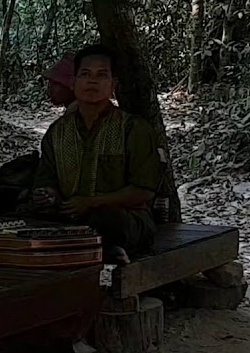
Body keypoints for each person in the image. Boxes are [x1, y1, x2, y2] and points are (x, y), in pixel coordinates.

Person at [33, 44, 159, 264]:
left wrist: (92, 202)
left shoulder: (133, 129)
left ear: (113, 85)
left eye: (102, 75)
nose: (92, 81)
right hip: (69, 218)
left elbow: (144, 190)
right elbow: (46, 178)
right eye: (85, 74)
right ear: (73, 83)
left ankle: (111, 253)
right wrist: (47, 194)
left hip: (123, 220)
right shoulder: (57, 132)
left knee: (106, 222)